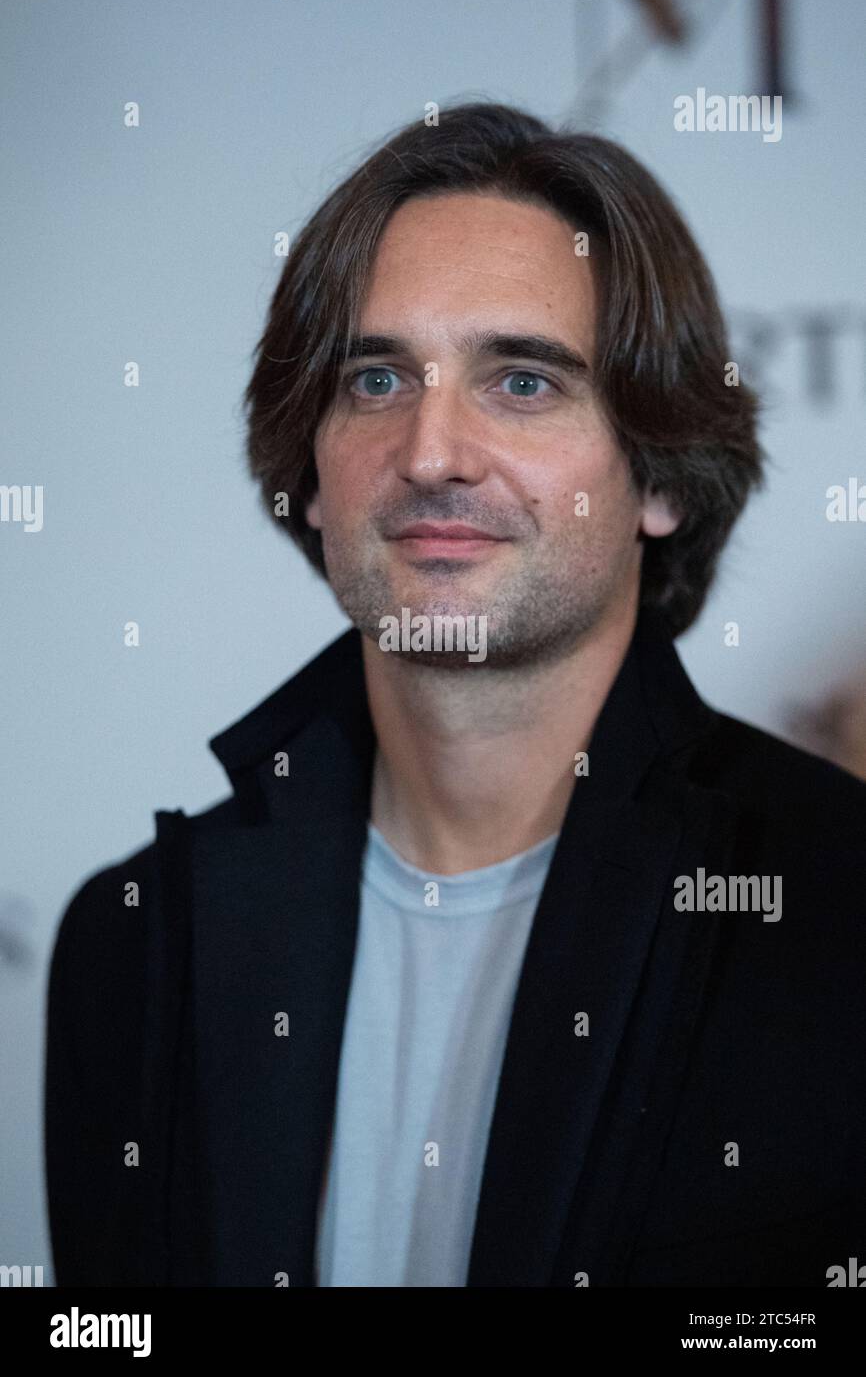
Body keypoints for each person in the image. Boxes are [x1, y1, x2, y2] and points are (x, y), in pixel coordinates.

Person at [45, 102, 866, 1288]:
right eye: (376, 377)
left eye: (521, 382)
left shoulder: (840, 910)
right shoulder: (133, 943)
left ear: (661, 479)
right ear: (309, 476)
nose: (431, 450)